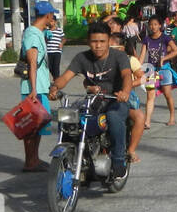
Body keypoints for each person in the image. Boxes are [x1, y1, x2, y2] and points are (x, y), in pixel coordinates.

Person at [49, 21, 133, 180]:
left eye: (102, 41)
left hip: (116, 100)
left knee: (114, 117)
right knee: (71, 119)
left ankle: (118, 160)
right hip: (93, 100)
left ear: (109, 40)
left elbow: (126, 75)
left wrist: (125, 92)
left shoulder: (119, 57)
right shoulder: (81, 58)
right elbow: (65, 77)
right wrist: (55, 88)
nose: (98, 46)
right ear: (88, 42)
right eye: (94, 41)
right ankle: (76, 156)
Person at [19, 2, 57, 171]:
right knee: (31, 127)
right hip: (34, 89)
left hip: (40, 86)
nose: (53, 18)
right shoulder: (32, 35)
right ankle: (30, 161)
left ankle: (34, 159)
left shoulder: (38, 32)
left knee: (39, 126)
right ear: (47, 15)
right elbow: (32, 63)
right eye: (52, 15)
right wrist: (34, 90)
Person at [111, 32, 147, 163]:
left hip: (125, 95)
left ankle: (131, 150)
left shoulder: (130, 60)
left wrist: (128, 86)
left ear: (121, 48)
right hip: (104, 96)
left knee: (139, 117)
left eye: (111, 47)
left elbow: (142, 77)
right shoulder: (100, 60)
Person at [141, 17, 177, 127]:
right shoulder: (146, 40)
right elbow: (142, 57)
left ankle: (172, 117)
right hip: (151, 70)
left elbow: (176, 51)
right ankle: (147, 121)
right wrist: (137, 68)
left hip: (164, 69)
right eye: (151, 25)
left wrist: (164, 59)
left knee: (167, 94)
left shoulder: (165, 38)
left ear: (160, 26)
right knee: (150, 96)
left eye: (155, 24)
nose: (153, 27)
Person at [43, 12, 65, 79]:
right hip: (49, 51)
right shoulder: (47, 31)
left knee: (56, 66)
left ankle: (56, 79)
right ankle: (55, 77)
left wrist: (61, 44)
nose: (50, 23)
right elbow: (45, 40)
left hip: (57, 51)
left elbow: (64, 39)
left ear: (55, 22)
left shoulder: (59, 30)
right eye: (49, 21)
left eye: (52, 21)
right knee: (49, 66)